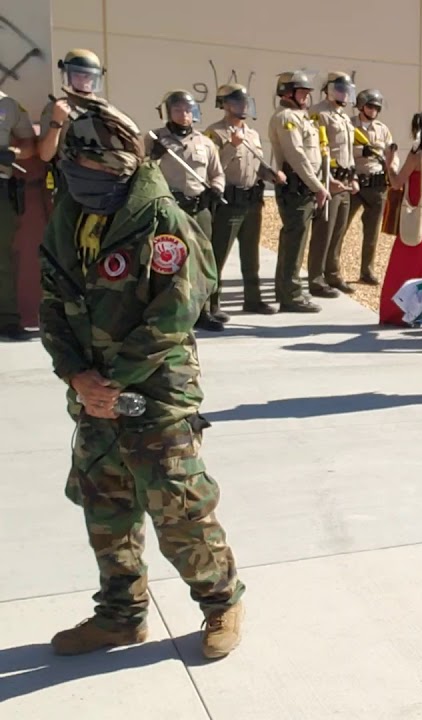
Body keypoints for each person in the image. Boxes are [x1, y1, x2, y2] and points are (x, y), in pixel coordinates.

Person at [37, 95, 244, 660]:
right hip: (93, 395)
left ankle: (221, 602)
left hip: (155, 392)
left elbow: (175, 313)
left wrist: (113, 381)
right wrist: (77, 376)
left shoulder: (163, 222)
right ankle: (120, 616)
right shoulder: (69, 219)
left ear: (124, 166)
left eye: (96, 165)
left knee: (179, 508)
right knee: (106, 508)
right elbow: (52, 304)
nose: (84, 174)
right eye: (77, 164)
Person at [145, 89, 226, 332]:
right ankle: (167, 310)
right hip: (170, 208)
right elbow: (141, 169)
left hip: (199, 207)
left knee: (202, 259)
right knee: (168, 260)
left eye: (188, 110)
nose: (184, 115)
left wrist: (217, 189)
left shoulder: (204, 142)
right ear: (167, 112)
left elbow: (217, 173)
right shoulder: (154, 139)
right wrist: (153, 156)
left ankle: (203, 311)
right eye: (178, 110)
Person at [206, 83, 284, 316]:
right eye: (237, 102)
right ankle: (211, 303)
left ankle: (253, 299)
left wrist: (271, 175)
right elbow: (213, 167)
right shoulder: (214, 133)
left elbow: (256, 165)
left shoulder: (252, 133)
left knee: (251, 255)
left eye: (245, 102)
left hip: (252, 200)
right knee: (218, 254)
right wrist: (232, 146)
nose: (243, 106)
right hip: (229, 202)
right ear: (224, 104)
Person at [268, 70, 326, 314]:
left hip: (304, 187)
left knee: (296, 240)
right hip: (296, 187)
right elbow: (297, 156)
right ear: (287, 93)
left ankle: (288, 291)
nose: (305, 97)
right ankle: (290, 295)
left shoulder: (301, 117)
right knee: (295, 241)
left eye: (306, 93)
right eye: (301, 92)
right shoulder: (286, 118)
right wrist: (318, 187)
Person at [379, 111, 422, 325]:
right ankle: (420, 311)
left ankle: (396, 313)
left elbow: (396, 183)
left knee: (403, 266)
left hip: (415, 214)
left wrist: (390, 164)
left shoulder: (415, 156)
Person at [307, 72, 358, 298]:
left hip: (345, 179)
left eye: (346, 90)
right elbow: (316, 150)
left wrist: (354, 176)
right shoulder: (318, 113)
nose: (344, 94)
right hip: (330, 179)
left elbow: (349, 150)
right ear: (328, 89)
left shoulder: (344, 117)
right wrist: (326, 180)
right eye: (339, 89)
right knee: (323, 231)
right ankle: (315, 279)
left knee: (338, 231)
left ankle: (333, 273)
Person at [349, 88, 398, 285]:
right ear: (361, 106)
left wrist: (393, 171)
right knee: (338, 229)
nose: (373, 111)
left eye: (377, 108)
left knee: (372, 232)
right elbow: (342, 150)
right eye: (370, 106)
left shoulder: (382, 129)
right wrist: (362, 151)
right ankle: (329, 270)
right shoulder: (348, 125)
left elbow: (391, 154)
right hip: (353, 183)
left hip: (376, 186)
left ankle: (367, 272)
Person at [0, 88, 37, 341]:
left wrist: (12, 152)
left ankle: (7, 320)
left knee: (2, 256)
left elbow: (29, 145)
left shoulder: (8, 105)